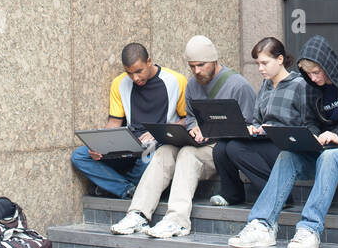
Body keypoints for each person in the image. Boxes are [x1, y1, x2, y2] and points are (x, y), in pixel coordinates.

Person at [227, 34, 338, 248]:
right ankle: (262, 225)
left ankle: (310, 228)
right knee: (287, 156)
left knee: (330, 156)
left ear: (328, 66)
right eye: (308, 74)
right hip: (324, 151)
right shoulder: (311, 87)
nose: (314, 78)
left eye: (317, 72)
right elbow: (309, 122)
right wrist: (313, 136)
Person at [110, 35, 256, 237]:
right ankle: (138, 215)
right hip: (197, 144)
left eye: (201, 65)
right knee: (165, 151)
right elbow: (189, 119)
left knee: (187, 154)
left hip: (222, 150)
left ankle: (177, 221)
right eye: (192, 66)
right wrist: (194, 127)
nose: (197, 71)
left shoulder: (239, 86)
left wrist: (211, 130)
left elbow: (249, 128)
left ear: (214, 59)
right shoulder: (192, 85)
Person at [71, 43, 187, 198]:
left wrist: (158, 132)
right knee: (80, 156)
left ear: (149, 61)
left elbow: (188, 120)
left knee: (150, 159)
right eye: (129, 73)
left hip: (158, 142)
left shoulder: (176, 80)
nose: (135, 78)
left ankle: (114, 187)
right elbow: (114, 122)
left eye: (139, 71)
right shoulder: (119, 83)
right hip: (129, 141)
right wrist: (99, 145)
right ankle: (127, 189)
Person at [212, 38, 306, 205]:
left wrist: (275, 129)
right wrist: (253, 128)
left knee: (235, 148)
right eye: (257, 64)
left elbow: (307, 123)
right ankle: (232, 194)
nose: (260, 68)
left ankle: (279, 195)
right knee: (220, 148)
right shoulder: (266, 85)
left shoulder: (299, 85)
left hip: (287, 144)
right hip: (264, 140)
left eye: (264, 63)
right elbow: (257, 119)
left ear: (280, 59)